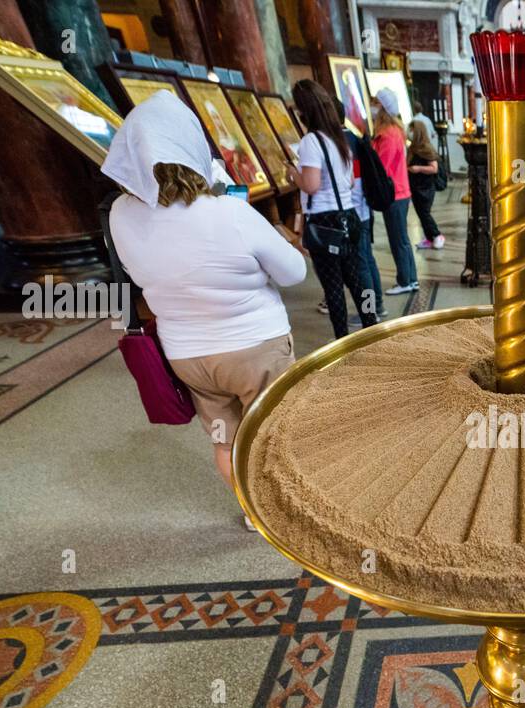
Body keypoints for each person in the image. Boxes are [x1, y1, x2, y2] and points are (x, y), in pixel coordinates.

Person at [103, 91, 306, 521]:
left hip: (188, 357)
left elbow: (140, 276)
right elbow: (294, 273)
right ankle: (289, 510)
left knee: (225, 438)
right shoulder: (227, 213)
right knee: (274, 431)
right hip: (256, 349)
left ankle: (255, 513)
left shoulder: (119, 215)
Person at [291, 79, 373, 338]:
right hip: (350, 216)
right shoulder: (338, 137)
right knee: (358, 281)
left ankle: (343, 342)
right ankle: (373, 328)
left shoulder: (310, 142)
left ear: (304, 111)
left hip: (324, 222)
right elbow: (348, 181)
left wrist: (293, 174)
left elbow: (312, 185)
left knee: (334, 288)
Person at [335, 95, 386, 321]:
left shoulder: (343, 142)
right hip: (364, 209)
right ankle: (378, 305)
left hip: (355, 210)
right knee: (368, 259)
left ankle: (369, 311)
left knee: (362, 263)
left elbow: (351, 182)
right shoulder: (354, 139)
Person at [370, 88, 418, 293]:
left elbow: (382, 168)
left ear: (382, 108)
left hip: (394, 194)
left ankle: (405, 281)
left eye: (375, 103)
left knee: (398, 239)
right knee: (403, 239)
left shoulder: (388, 135)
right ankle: (411, 279)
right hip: (400, 192)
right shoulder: (395, 131)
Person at [406, 119, 444, 250]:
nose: (409, 132)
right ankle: (429, 238)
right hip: (415, 187)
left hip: (425, 188)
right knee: (421, 213)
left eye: (411, 130)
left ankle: (437, 235)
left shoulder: (426, 148)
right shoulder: (412, 148)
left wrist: (418, 168)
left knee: (425, 213)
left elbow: (434, 168)